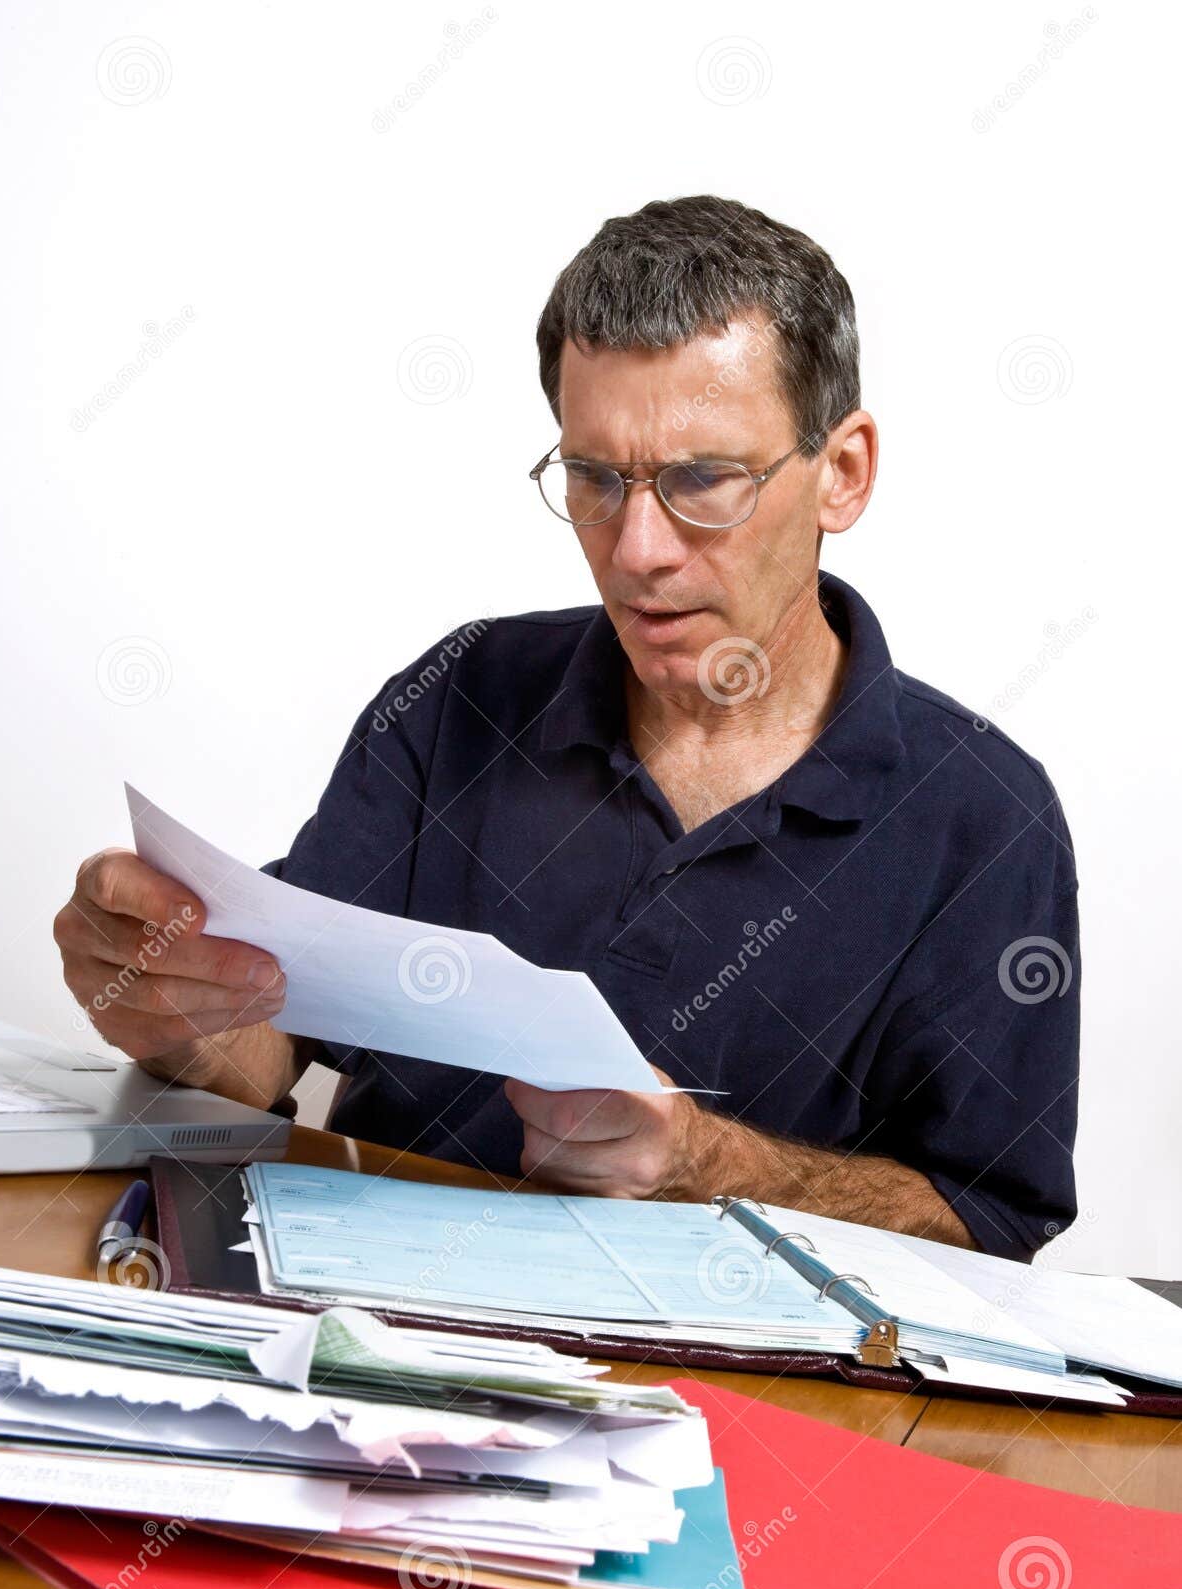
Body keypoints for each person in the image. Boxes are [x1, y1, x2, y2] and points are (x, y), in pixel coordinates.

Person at [53, 196, 1079, 1262]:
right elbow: (270, 1044)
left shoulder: (983, 817)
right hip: (366, 1325)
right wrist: (173, 1011)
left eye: (702, 481)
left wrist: (709, 1165)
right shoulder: (460, 696)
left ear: (844, 473)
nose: (637, 551)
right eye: (593, 478)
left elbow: (989, 1220)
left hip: (725, 1362)